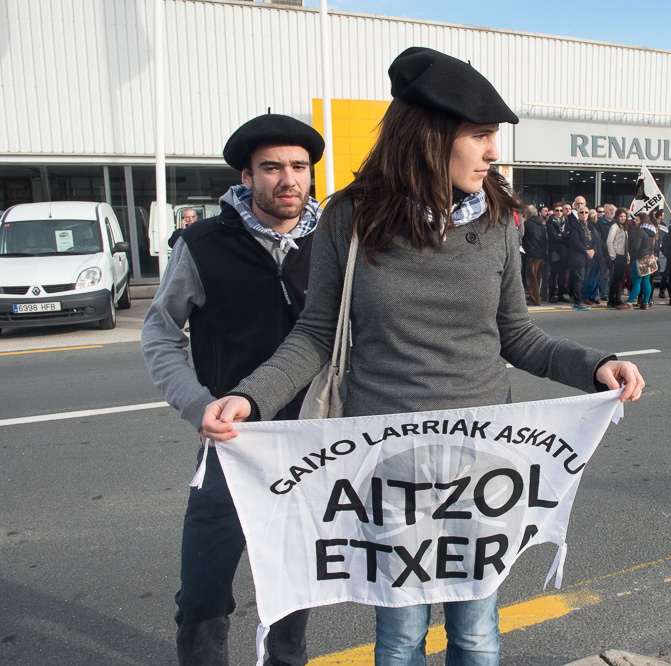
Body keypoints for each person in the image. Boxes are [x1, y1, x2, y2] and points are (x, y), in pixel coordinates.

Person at [198, 47, 645, 666]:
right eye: (482, 136)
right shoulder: (350, 218)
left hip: (481, 461)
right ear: (433, 136)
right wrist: (248, 399)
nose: (494, 153)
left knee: (476, 633)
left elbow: (519, 337)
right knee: (402, 638)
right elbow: (315, 335)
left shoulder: (498, 218)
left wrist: (597, 365)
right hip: (389, 462)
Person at [142, 113, 325, 666]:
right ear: (246, 177)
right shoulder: (201, 243)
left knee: (295, 587)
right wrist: (196, 405)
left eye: (298, 166)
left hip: (314, 444)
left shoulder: (338, 246)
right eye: (271, 167)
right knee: (202, 594)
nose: (287, 178)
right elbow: (159, 333)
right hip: (229, 444)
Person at [567, 207, 599, 310]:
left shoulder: (590, 226)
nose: (584, 214)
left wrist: (593, 250)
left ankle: (580, 299)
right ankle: (577, 301)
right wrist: (586, 250)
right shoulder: (574, 226)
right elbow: (575, 241)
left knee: (584, 279)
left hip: (588, 258)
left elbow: (595, 240)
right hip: (578, 257)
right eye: (581, 212)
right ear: (578, 214)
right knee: (579, 279)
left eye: (586, 212)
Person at [625, 211, 657, 310]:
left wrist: (631, 255)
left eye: (637, 220)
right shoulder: (652, 231)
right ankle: (646, 302)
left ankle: (629, 302)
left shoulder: (640, 231)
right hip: (648, 258)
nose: (635, 222)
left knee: (637, 281)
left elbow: (636, 246)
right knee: (646, 281)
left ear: (642, 220)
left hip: (639, 258)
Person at [520, 204, 547, 306]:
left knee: (532, 278)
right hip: (541, 253)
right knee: (537, 278)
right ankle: (536, 298)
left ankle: (534, 300)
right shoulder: (541, 224)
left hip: (532, 254)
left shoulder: (527, 224)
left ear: (527, 214)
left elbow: (521, 235)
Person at [606, 207, 630, 309]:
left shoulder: (624, 228)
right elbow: (609, 241)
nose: (623, 218)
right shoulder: (614, 227)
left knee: (620, 278)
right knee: (616, 279)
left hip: (623, 255)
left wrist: (628, 256)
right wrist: (613, 256)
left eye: (624, 216)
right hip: (617, 255)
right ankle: (612, 299)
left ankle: (618, 298)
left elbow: (626, 244)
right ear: (617, 217)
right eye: (621, 216)